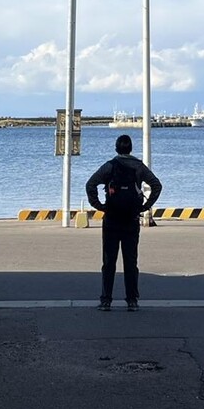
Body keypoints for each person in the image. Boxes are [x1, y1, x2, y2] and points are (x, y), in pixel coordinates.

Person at [85, 133, 162, 311]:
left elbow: (90, 184)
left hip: (111, 219)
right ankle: (132, 301)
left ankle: (106, 301)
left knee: (109, 261)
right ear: (130, 149)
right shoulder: (138, 167)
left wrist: (99, 206)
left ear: (116, 148)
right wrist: (145, 207)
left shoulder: (109, 166)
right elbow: (157, 185)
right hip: (131, 220)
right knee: (130, 261)